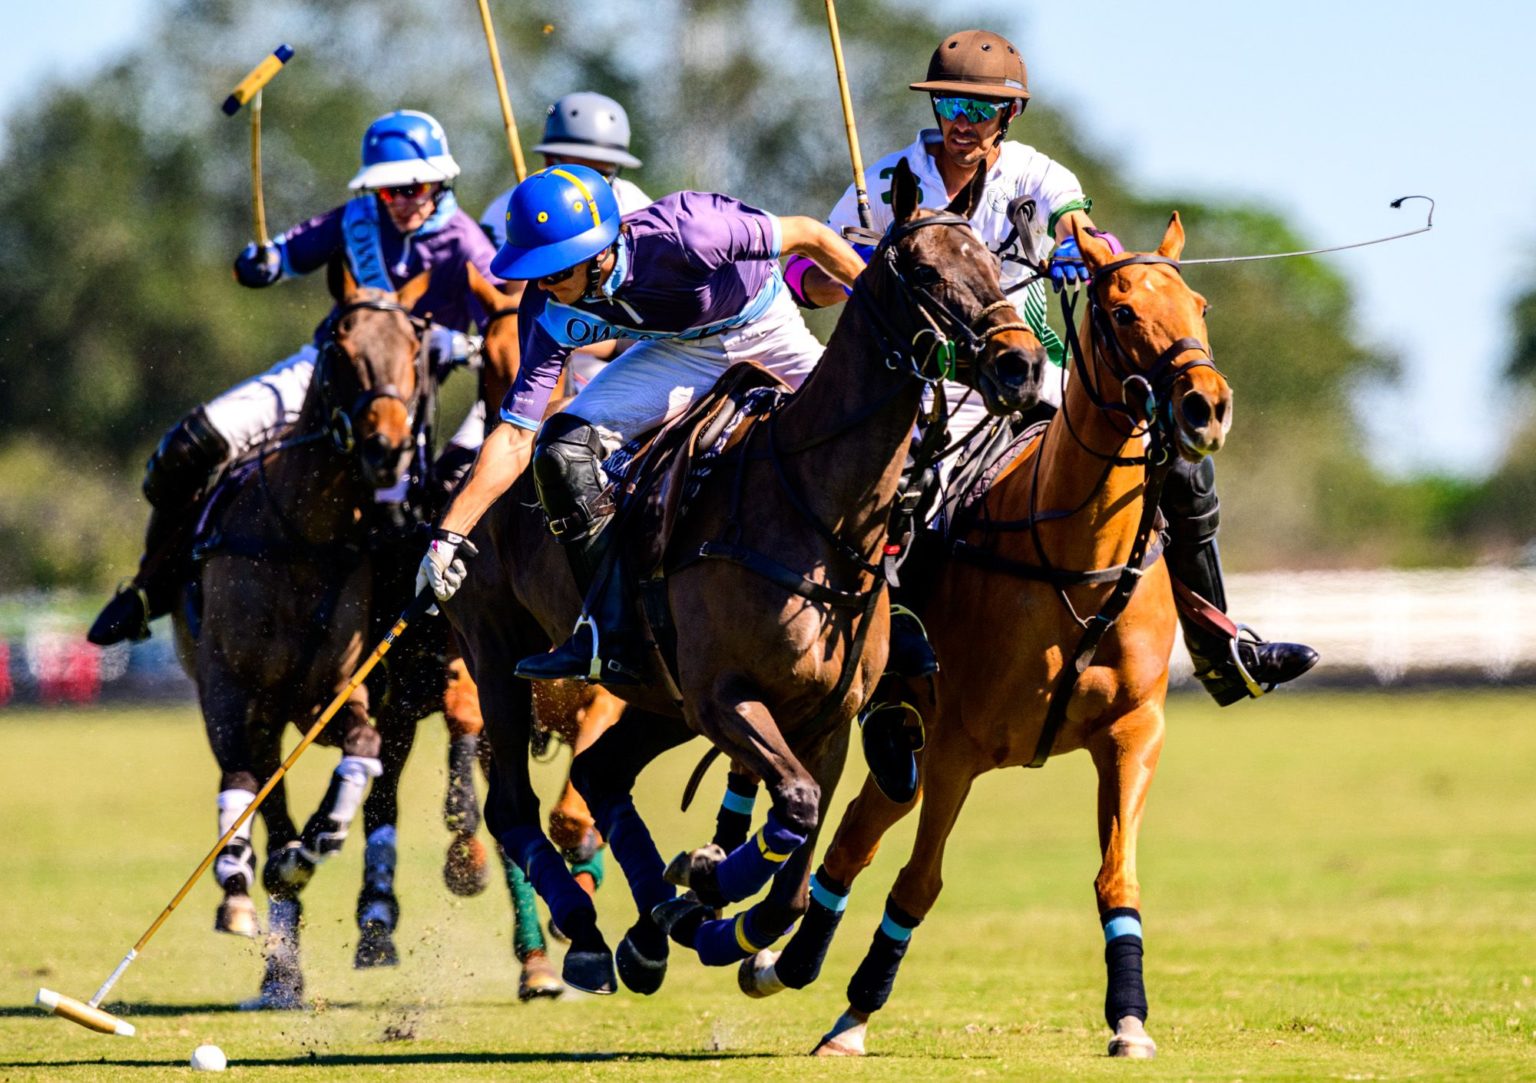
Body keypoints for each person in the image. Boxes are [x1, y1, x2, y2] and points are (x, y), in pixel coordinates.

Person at [786, 30, 1319, 798]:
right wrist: (860, 276)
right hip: (943, 393)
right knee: (899, 508)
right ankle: (893, 693)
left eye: (983, 107)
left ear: (1010, 114)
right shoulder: (886, 183)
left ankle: (1215, 639)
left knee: (1178, 470)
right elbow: (806, 271)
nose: (963, 121)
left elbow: (1082, 229)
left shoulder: (1040, 176)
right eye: (950, 105)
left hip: (1041, 385)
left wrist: (1087, 250)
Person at [417, 163, 865, 684]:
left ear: (600, 251)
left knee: (878, 437)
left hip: (765, 327)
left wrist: (873, 295)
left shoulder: (690, 229)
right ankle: (607, 632)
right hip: (677, 353)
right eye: (535, 272)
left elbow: (809, 235)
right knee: (561, 449)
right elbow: (517, 434)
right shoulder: (546, 306)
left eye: (558, 271)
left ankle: (899, 618)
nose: (545, 284)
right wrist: (448, 537)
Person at [89, 110, 501, 646]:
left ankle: (415, 659)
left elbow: (506, 325)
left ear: (441, 180)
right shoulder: (358, 220)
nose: (399, 200)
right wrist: (260, 262)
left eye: (412, 186)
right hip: (326, 369)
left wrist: (456, 342)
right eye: (386, 190)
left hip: (401, 396)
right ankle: (153, 588)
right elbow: (283, 256)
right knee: (188, 450)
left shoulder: (466, 245)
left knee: (403, 526)